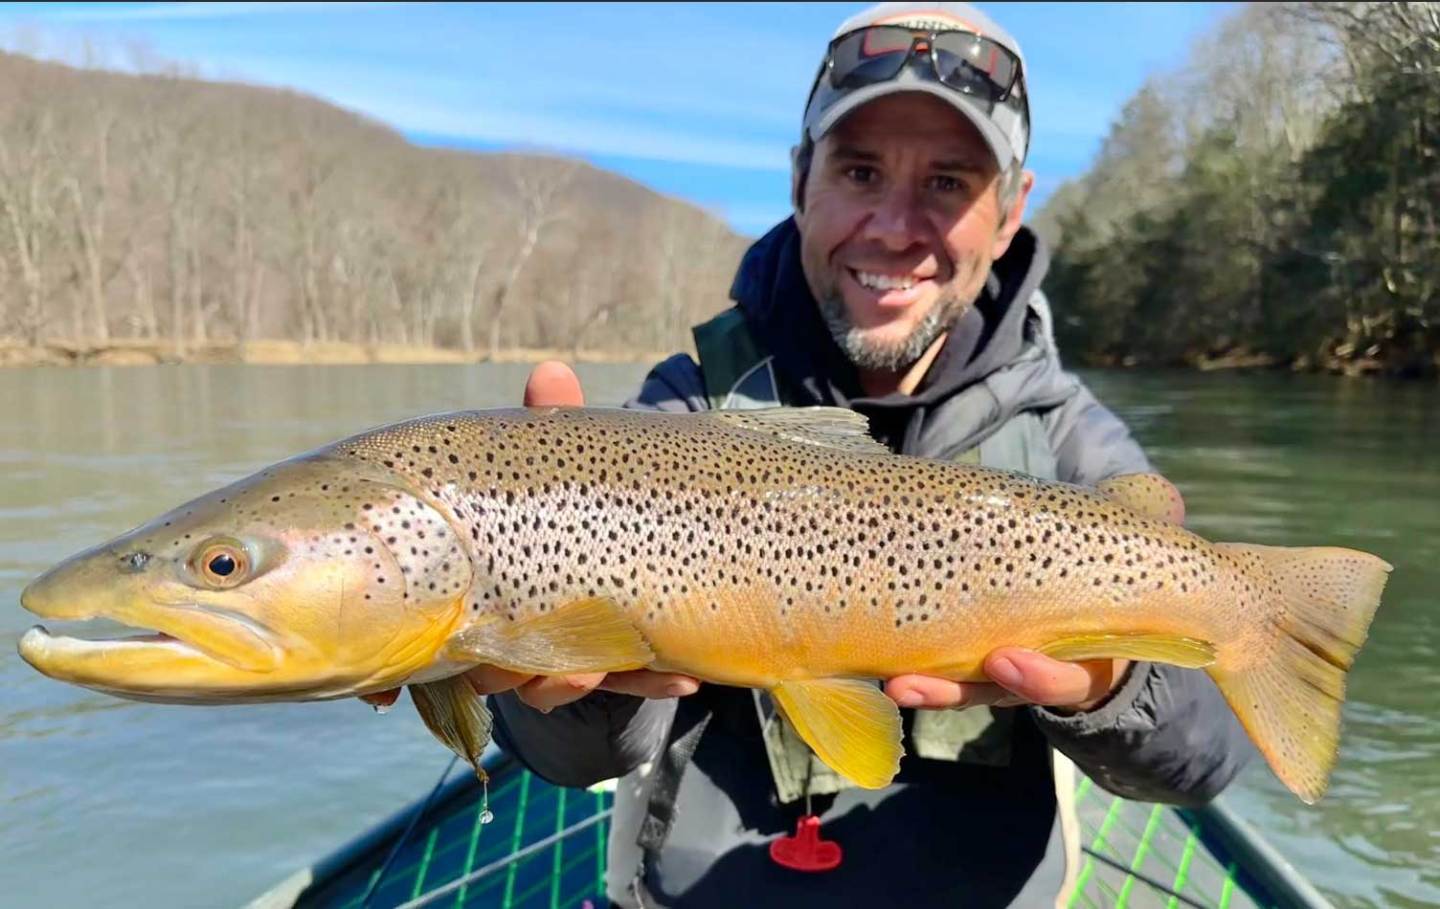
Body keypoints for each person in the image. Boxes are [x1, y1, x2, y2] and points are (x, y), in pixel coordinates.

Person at [468, 3, 1252, 906]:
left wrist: (1113, 685)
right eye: (860, 169)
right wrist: (556, 682)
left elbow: (1204, 760)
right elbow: (586, 755)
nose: (893, 225)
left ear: (1010, 213)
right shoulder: (684, 408)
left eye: (949, 183)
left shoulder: (1071, 439)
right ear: (802, 180)